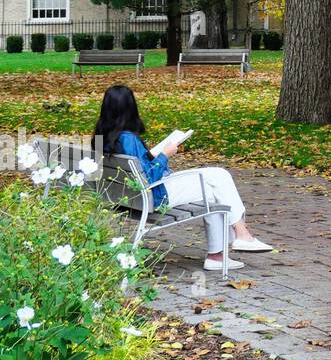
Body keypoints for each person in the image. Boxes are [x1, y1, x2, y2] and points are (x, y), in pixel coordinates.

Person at [93, 85, 273, 272]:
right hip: (153, 196)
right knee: (219, 178)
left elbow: (136, 169)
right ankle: (241, 235)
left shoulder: (101, 135)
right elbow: (146, 178)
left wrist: (152, 156)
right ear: (130, 108)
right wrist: (165, 155)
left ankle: (218, 255)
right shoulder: (128, 138)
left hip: (126, 197)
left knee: (214, 192)